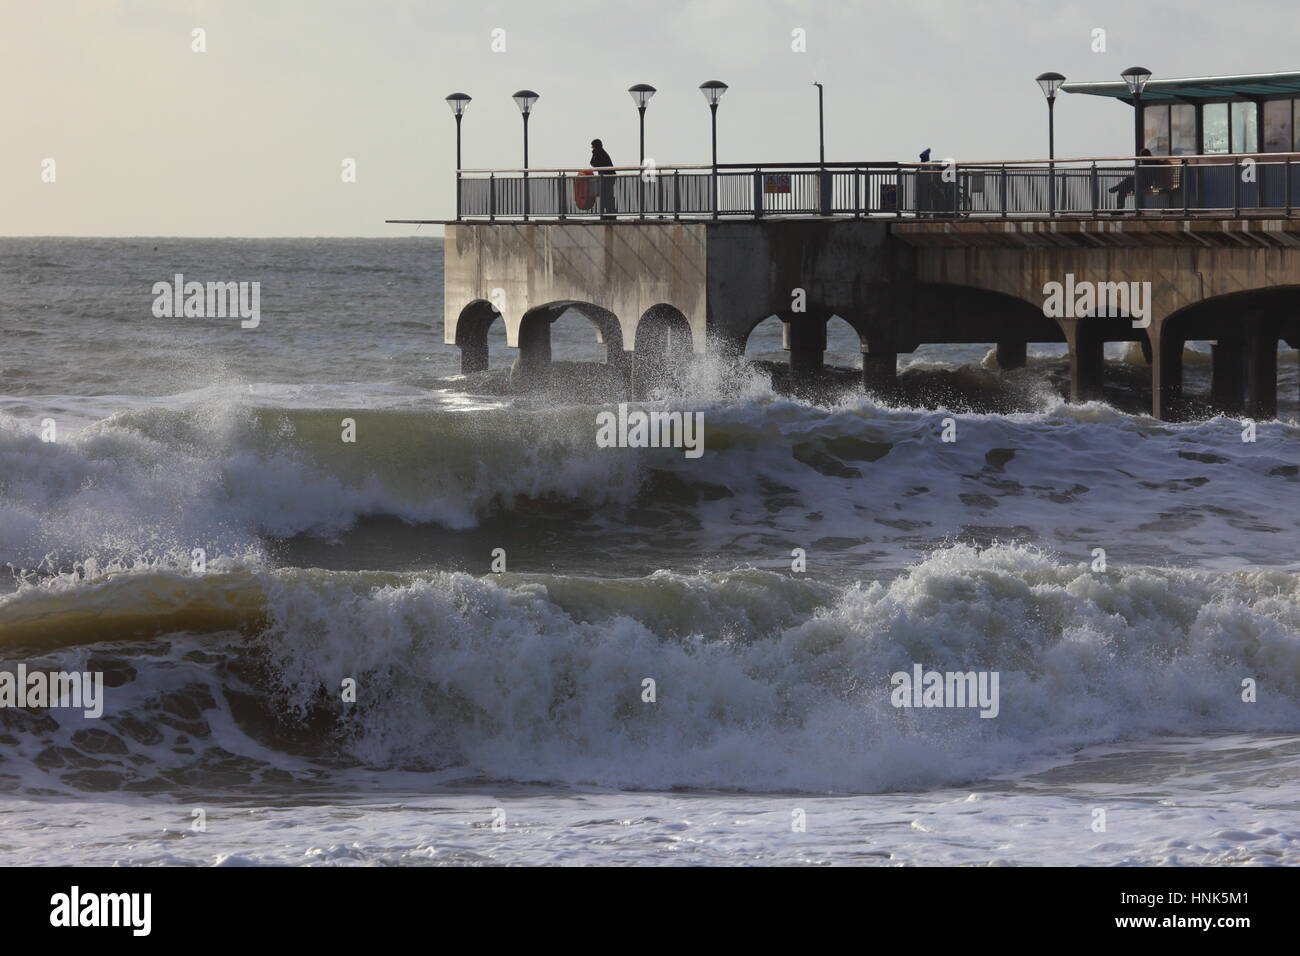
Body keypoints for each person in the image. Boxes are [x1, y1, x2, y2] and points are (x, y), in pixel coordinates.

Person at [590, 139, 616, 219]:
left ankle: (609, 214)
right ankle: (608, 214)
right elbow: (592, 163)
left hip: (607, 178)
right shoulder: (600, 152)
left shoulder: (600, 153)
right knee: (606, 196)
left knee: (607, 196)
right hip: (606, 177)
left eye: (593, 146)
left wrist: (594, 153)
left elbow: (594, 163)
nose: (592, 148)